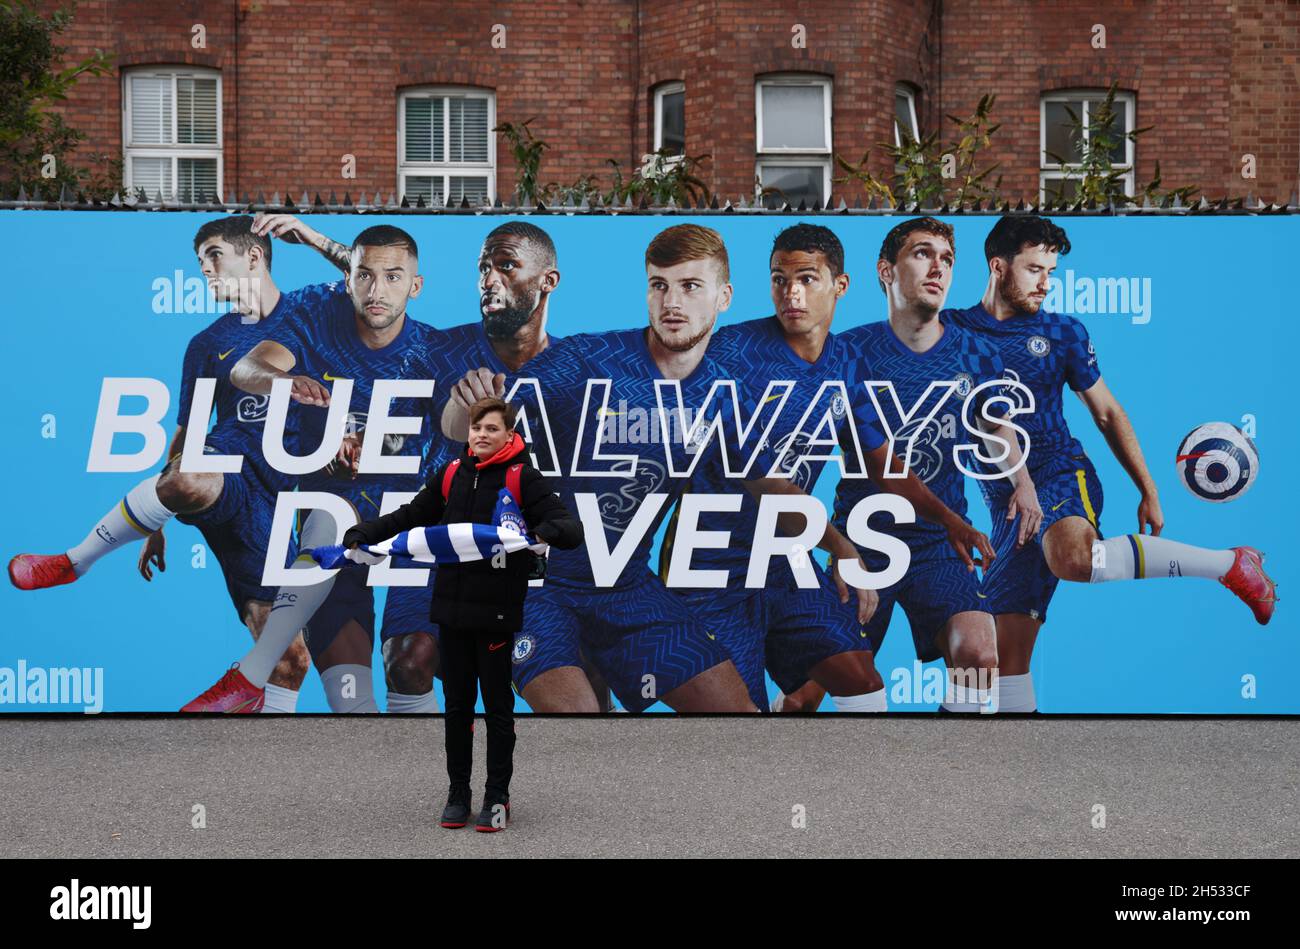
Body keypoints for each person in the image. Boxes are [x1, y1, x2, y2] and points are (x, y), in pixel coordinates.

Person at [8, 214, 339, 713]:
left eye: (213, 256)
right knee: (188, 476)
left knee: (289, 661)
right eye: (199, 261)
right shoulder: (208, 344)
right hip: (230, 472)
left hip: (277, 502)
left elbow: (371, 273)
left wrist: (312, 237)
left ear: (254, 255)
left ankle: (271, 766)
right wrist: (157, 516)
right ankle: (74, 562)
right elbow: (187, 432)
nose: (205, 270)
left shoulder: (313, 311)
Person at [947, 215, 1277, 713]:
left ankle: (1231, 565)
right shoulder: (949, 330)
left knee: (1075, 559)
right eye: (1034, 269)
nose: (1045, 283)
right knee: (1006, 657)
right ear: (998, 267)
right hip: (1005, 507)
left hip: (1059, 473)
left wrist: (1149, 488)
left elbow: (1106, 412)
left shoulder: (1062, 332)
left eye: (1051, 272)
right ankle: (1013, 772)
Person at [344, 397, 583, 832]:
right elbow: (412, 515)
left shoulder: (522, 478)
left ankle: (497, 796)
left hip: (495, 616)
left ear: (510, 436)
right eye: (476, 428)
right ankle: (458, 794)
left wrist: (538, 534)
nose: (481, 436)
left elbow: (569, 528)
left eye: (491, 429)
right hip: (450, 613)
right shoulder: (453, 473)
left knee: (497, 710)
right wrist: (367, 532)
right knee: (457, 709)